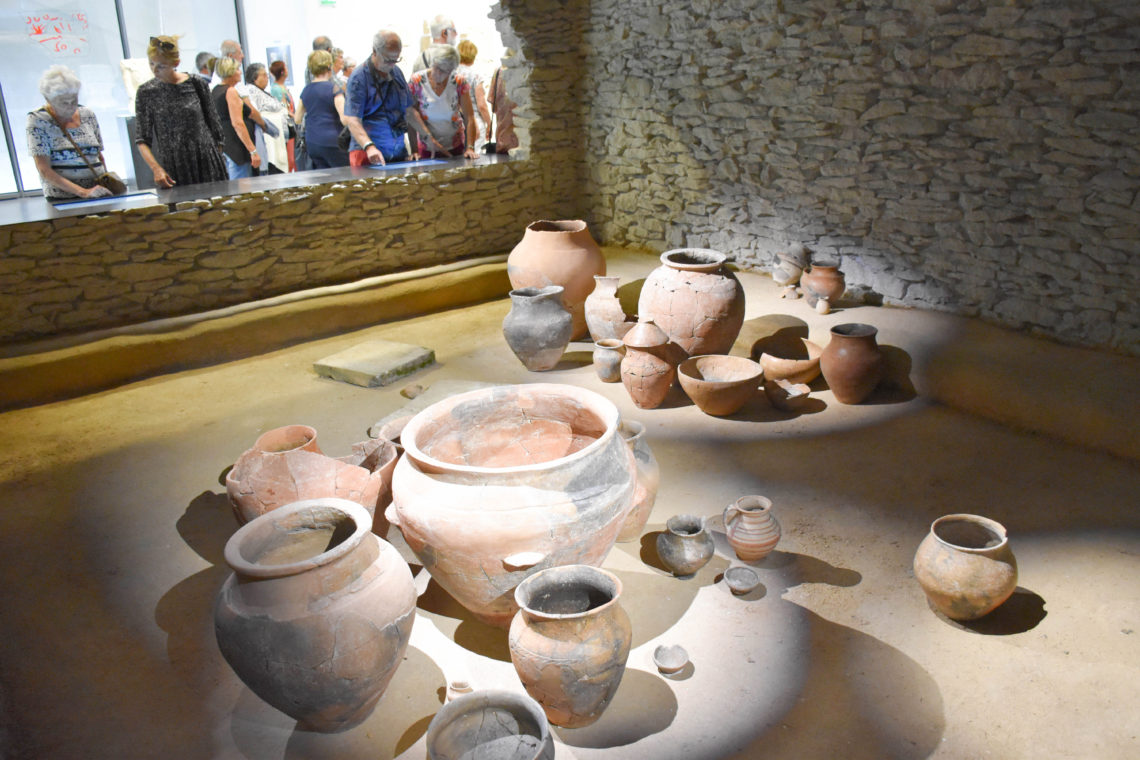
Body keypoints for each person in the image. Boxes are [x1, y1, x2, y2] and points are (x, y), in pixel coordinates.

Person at [134, 35, 227, 189]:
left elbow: (215, 126)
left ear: (175, 63)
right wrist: (156, 169)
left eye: (161, 66)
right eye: (151, 63)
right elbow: (142, 138)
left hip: (207, 162)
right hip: (174, 167)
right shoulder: (147, 92)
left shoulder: (197, 83)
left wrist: (216, 158)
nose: (155, 70)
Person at [342, 30, 437, 166]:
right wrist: (369, 147)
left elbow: (409, 111)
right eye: (388, 60)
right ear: (374, 51)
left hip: (397, 152)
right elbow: (352, 120)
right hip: (367, 154)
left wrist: (427, 137)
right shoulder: (359, 78)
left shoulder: (396, 72)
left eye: (396, 59)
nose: (392, 64)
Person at [26, 65, 114, 200]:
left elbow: (98, 155)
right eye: (63, 102)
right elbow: (43, 169)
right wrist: (83, 192)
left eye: (74, 100)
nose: (70, 106)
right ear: (48, 100)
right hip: (64, 198)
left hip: (97, 193)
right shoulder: (38, 120)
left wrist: (106, 182)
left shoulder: (87, 114)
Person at [407, 46, 477, 160]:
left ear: (451, 71)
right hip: (426, 147)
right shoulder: (417, 81)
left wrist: (470, 148)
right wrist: (414, 150)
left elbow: (469, 116)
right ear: (432, 63)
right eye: (437, 68)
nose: (438, 73)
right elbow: (410, 116)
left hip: (454, 145)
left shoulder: (459, 82)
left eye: (444, 71)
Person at [297, 50, 348, 169]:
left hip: (313, 143)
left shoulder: (306, 90)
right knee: (344, 179)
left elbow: (297, 118)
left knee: (323, 180)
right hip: (333, 142)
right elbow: (344, 119)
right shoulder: (334, 89)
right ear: (329, 66)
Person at [212, 57, 260, 178]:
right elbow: (237, 123)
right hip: (236, 148)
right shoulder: (230, 91)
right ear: (231, 71)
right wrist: (253, 151)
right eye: (238, 69)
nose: (240, 72)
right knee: (242, 191)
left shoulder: (215, 91)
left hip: (226, 147)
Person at [245, 63, 289, 174]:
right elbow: (256, 113)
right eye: (263, 75)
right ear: (255, 78)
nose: (267, 78)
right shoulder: (251, 91)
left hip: (277, 138)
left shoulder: (262, 91)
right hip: (267, 139)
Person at [456, 40, 490, 154]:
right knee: (476, 157)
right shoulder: (475, 75)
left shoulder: (452, 74)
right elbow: (481, 105)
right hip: (474, 121)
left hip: (457, 122)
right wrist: (489, 123)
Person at [269, 60, 297, 171]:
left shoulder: (282, 87)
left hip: (291, 122)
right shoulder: (276, 89)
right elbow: (283, 108)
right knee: (289, 158)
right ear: (282, 72)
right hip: (286, 124)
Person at [487, 66, 519, 154]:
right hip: (522, 140)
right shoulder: (525, 71)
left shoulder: (498, 72)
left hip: (502, 139)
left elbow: (493, 108)